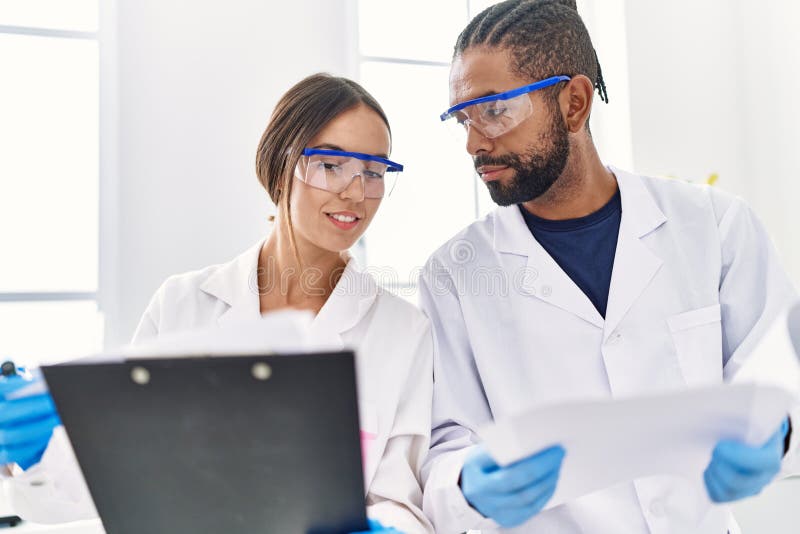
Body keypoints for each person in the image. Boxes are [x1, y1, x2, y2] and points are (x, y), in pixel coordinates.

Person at [419, 1, 798, 532]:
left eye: (494, 110)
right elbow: (445, 447)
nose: (473, 141)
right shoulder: (453, 275)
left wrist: (779, 431)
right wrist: (466, 483)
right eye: (462, 118)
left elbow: (779, 382)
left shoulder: (714, 226)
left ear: (574, 103)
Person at [0, 73, 434, 534]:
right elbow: (113, 474)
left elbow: (400, 502)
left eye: (374, 171)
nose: (355, 192)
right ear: (281, 161)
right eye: (332, 165)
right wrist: (39, 450)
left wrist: (382, 527)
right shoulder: (182, 303)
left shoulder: (403, 331)